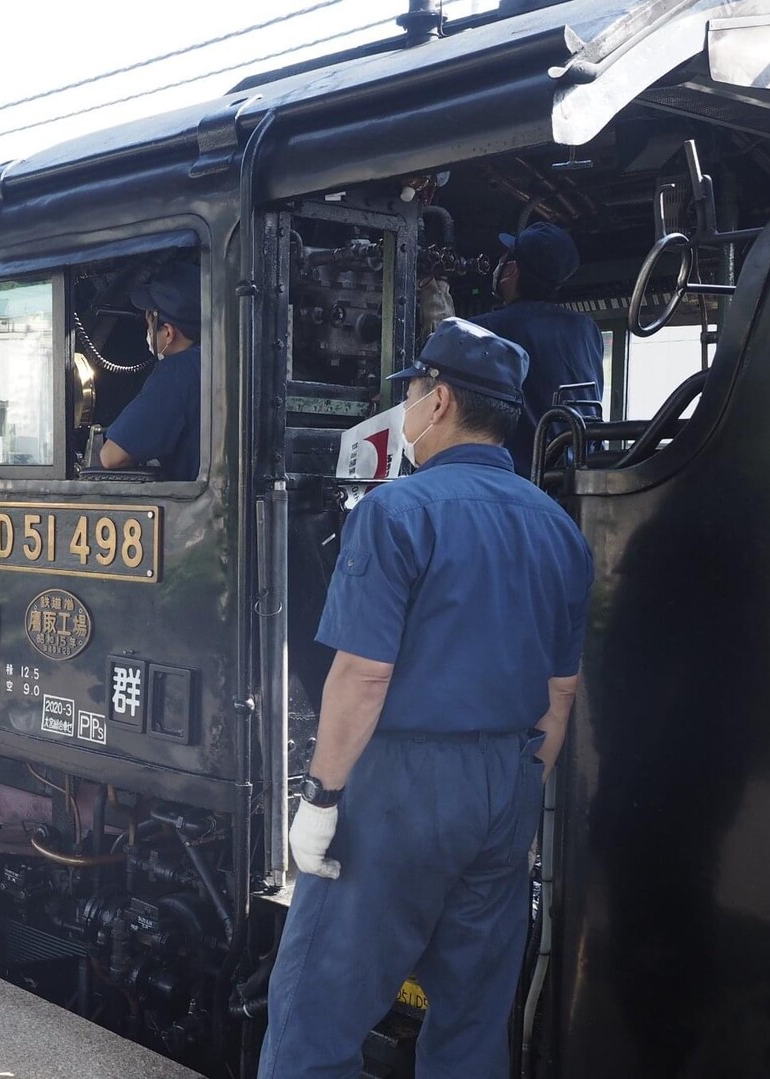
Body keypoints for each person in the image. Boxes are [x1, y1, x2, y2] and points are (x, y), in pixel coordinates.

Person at [259, 318, 594, 1079]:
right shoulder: (558, 528)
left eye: (410, 392)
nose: (405, 408)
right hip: (508, 781)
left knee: (316, 1010)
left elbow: (363, 675)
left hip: (401, 786)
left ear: (438, 401)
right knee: (473, 1023)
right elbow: (561, 692)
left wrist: (319, 795)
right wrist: (513, 788)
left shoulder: (396, 511)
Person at [470, 221, 605, 476]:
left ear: (513, 270)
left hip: (513, 481)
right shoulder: (587, 329)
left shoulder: (484, 329)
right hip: (576, 479)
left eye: (505, 258)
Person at [99, 261, 201, 481]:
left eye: (149, 324)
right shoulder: (214, 362)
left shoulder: (177, 371)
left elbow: (112, 457)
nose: (147, 331)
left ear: (168, 332)